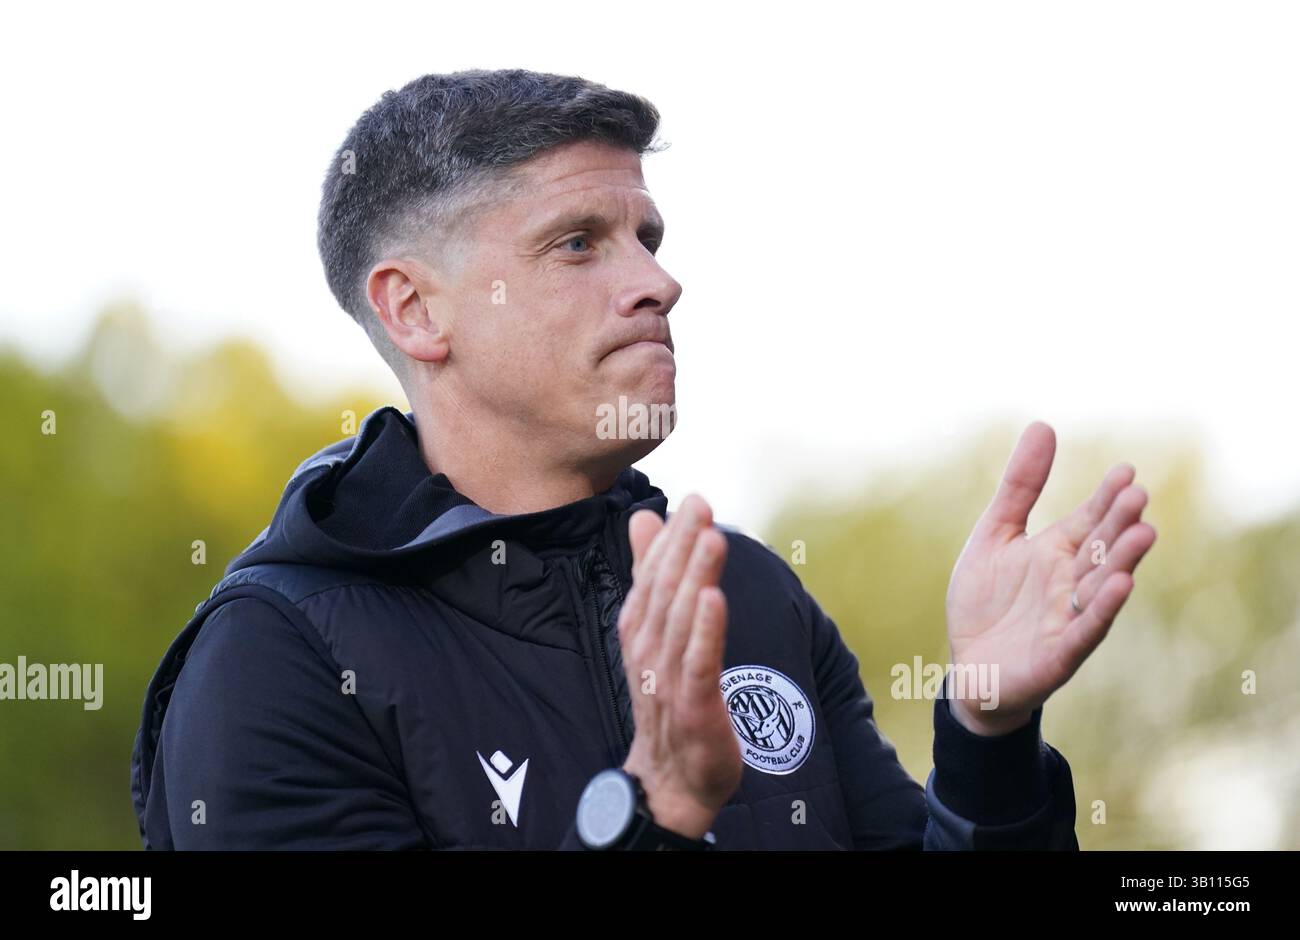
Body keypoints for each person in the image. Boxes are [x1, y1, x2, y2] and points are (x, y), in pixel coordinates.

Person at [131, 68, 1156, 850]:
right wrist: (650, 814)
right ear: (417, 309)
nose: (659, 281)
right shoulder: (275, 658)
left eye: (647, 236)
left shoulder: (746, 591)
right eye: (578, 242)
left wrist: (988, 729)